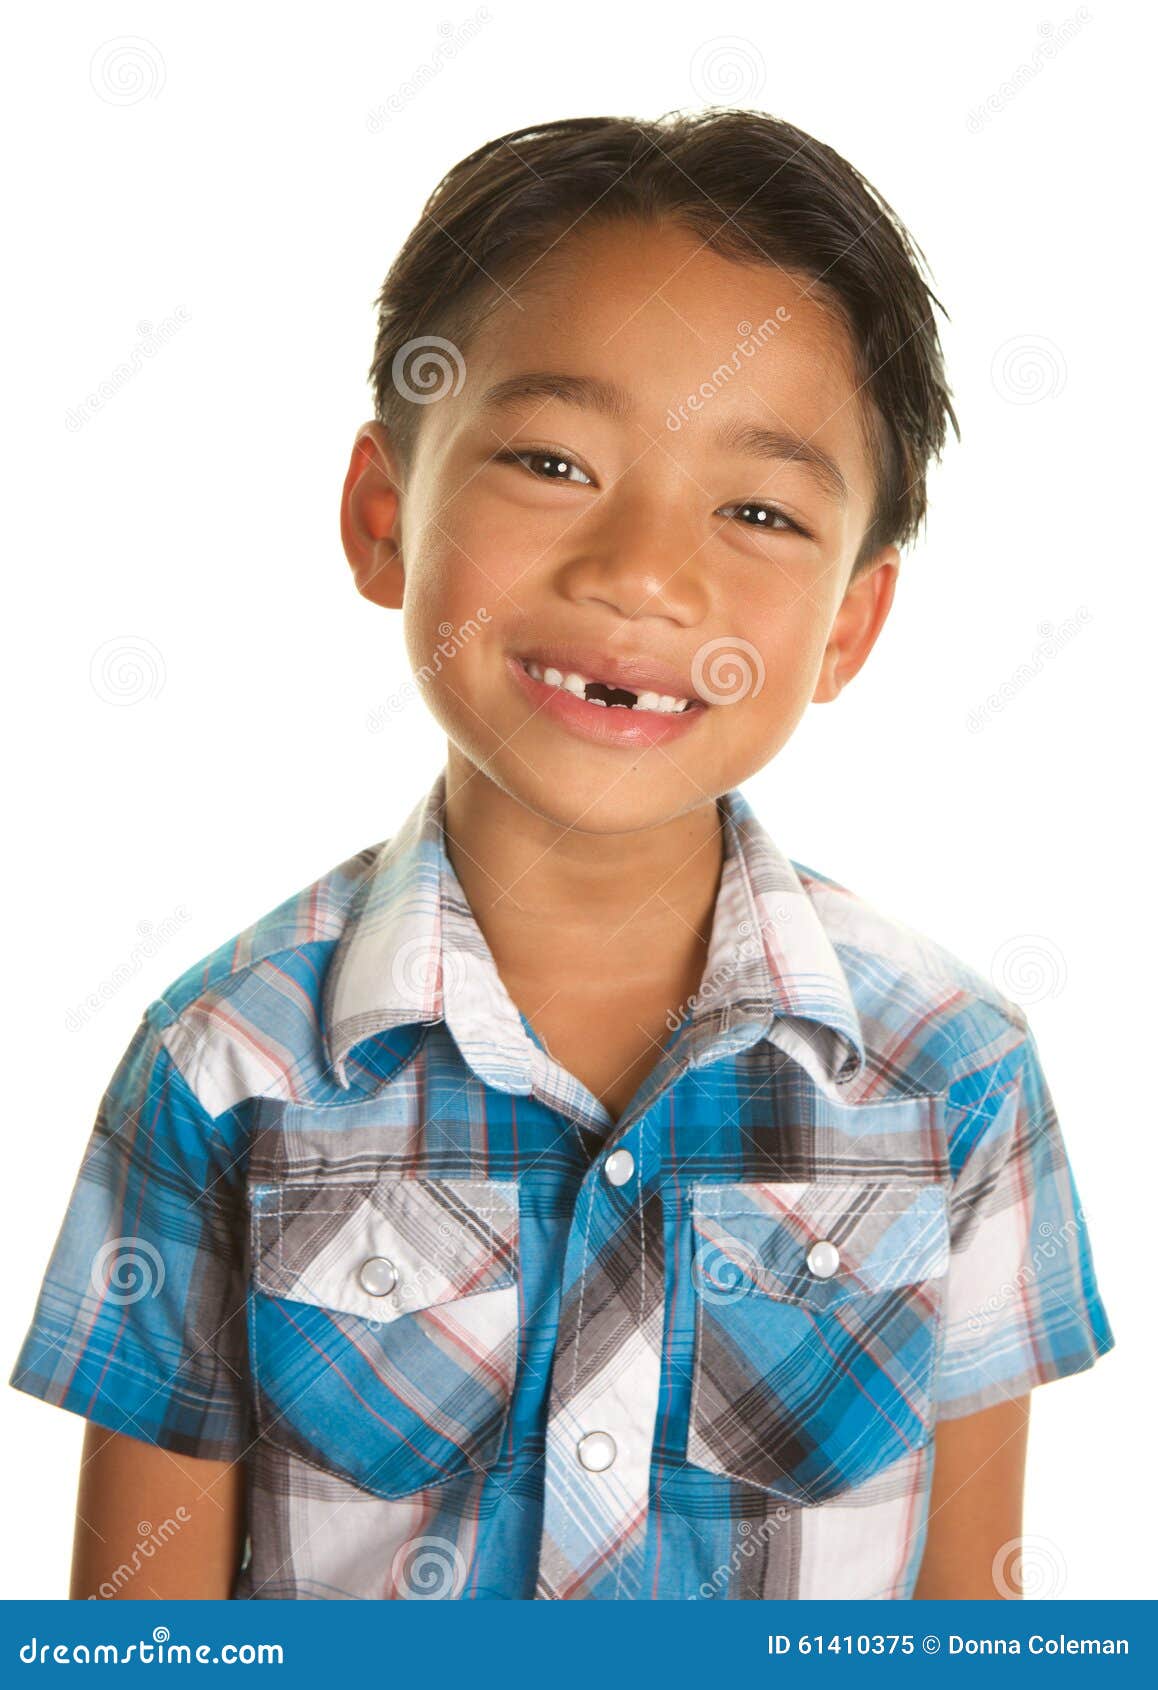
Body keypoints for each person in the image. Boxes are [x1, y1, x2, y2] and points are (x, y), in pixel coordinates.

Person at [10, 108, 1114, 1601]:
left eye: (757, 508)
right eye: (549, 458)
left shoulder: (951, 1075)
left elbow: (970, 1619)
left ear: (850, 623)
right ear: (380, 514)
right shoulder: (226, 1066)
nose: (643, 571)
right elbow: (137, 1630)